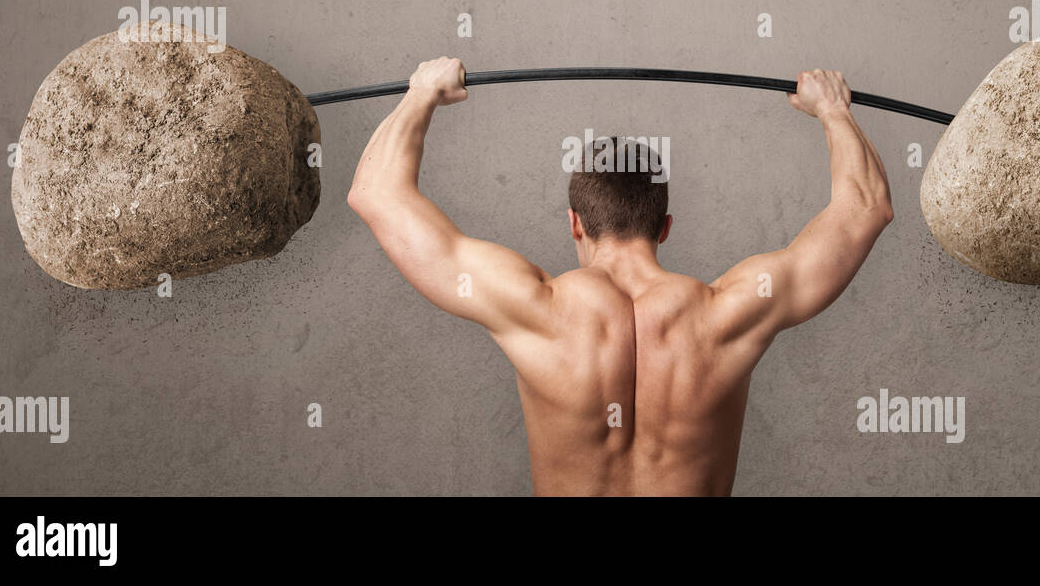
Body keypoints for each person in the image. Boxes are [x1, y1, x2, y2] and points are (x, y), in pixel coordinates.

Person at [349, 57, 893, 495]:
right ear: (666, 227)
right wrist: (834, 111)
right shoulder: (727, 313)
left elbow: (376, 193)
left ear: (574, 224)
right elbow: (864, 209)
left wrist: (422, 93)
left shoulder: (533, 308)